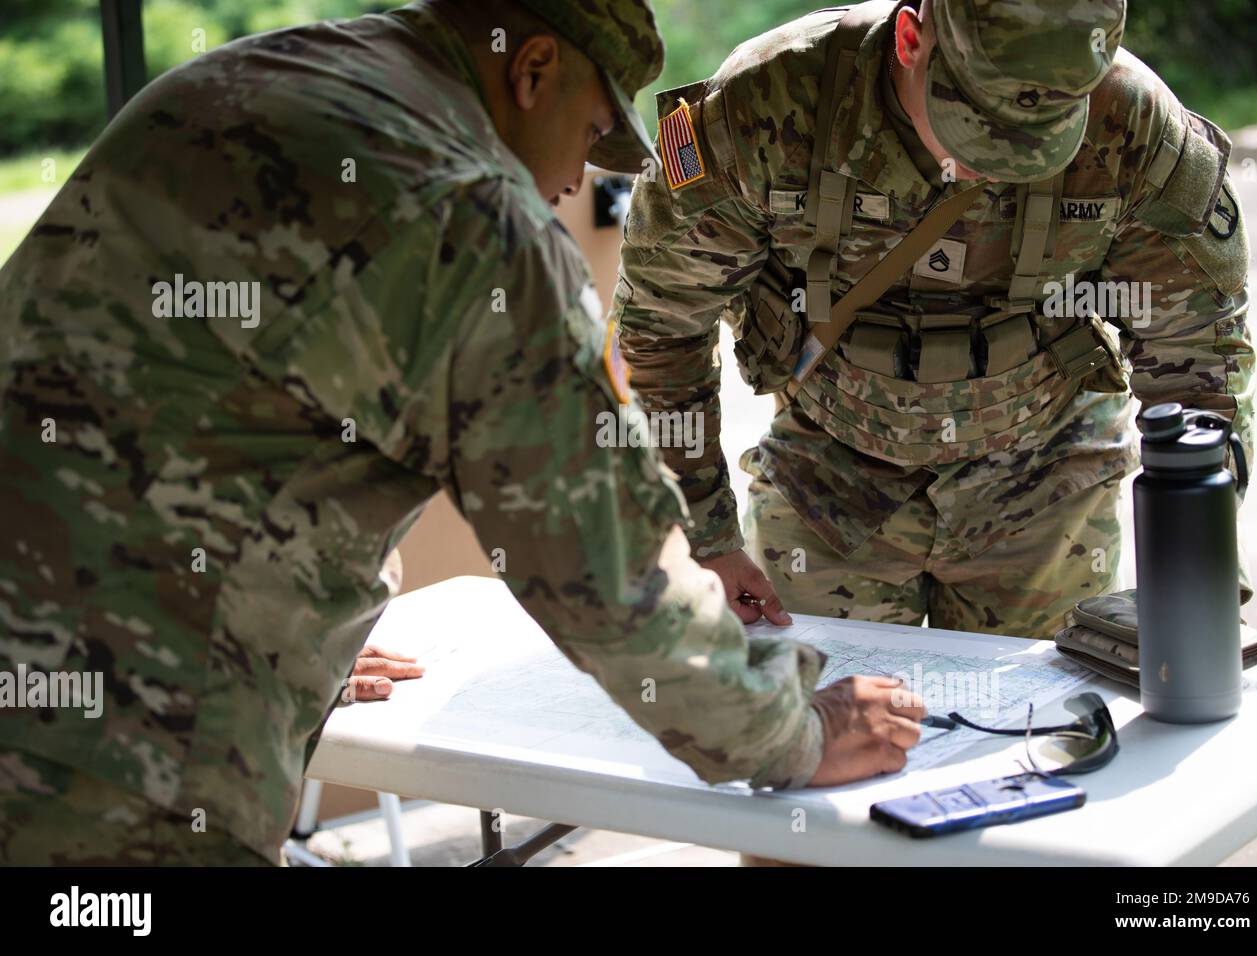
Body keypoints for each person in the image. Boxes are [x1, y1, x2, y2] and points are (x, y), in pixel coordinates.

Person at [0, 0, 923, 866]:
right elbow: (611, 574)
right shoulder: (467, 214)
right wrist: (796, 734)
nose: (575, 179)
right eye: (595, 131)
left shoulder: (241, 82)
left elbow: (171, 397)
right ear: (531, 69)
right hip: (116, 760)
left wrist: (279, 621)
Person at [613, 0, 1253, 639]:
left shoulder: (1133, 123)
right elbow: (663, 325)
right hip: (827, 479)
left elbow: (1199, 348)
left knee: (1039, 724)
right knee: (810, 719)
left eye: (1040, 136)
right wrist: (701, 537)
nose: (1003, 162)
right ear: (910, 38)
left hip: (1046, 489)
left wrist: (1201, 558)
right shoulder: (767, 101)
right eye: (974, 122)